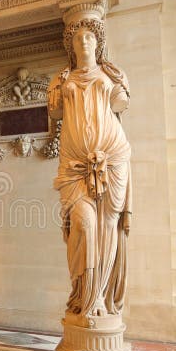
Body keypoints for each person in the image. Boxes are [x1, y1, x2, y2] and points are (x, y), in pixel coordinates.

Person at [48, 17, 132, 318]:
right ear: (71, 46)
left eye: (89, 37)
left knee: (108, 228)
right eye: (77, 38)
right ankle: (83, 293)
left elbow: (121, 103)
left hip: (113, 158)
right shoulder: (63, 78)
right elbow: (55, 112)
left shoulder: (110, 74)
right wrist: (56, 88)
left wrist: (119, 83)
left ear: (98, 43)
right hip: (74, 165)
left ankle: (98, 298)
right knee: (83, 226)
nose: (83, 41)